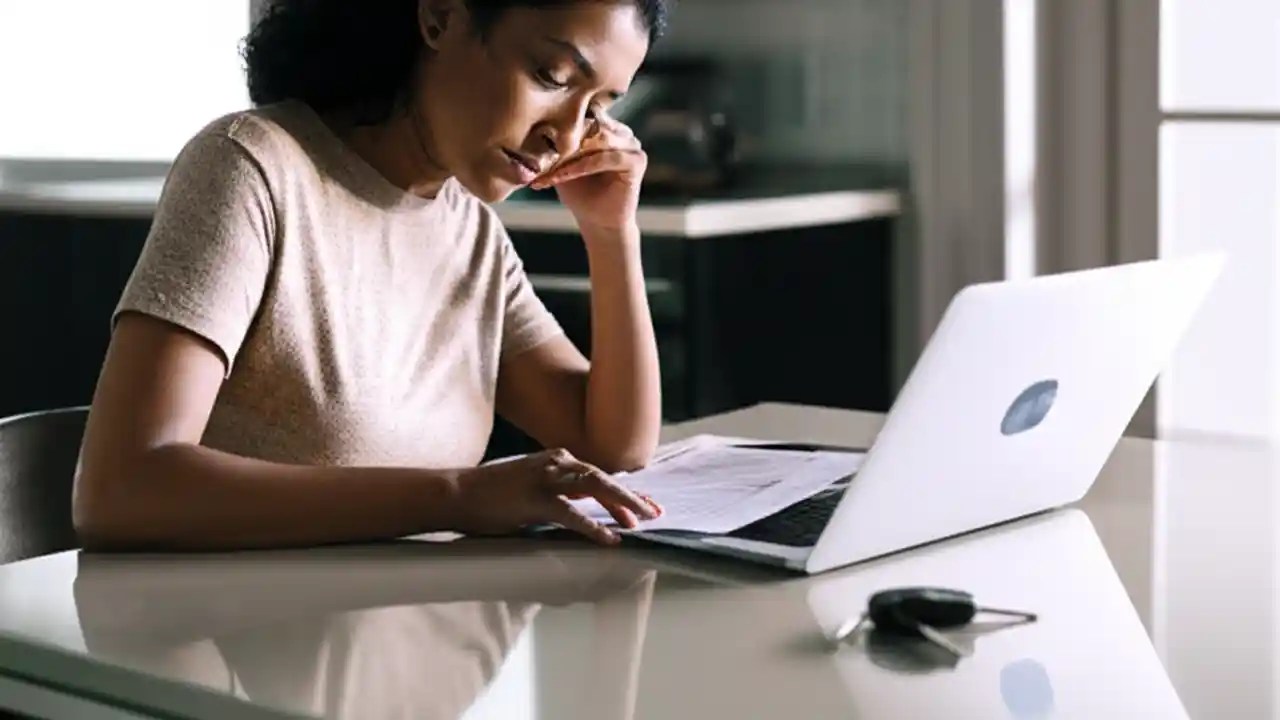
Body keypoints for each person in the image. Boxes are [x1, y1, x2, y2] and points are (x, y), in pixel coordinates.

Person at [72, 0, 671, 552]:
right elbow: (122, 487)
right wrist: (458, 497)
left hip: (413, 643)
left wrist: (612, 232)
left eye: (596, 108)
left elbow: (614, 446)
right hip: (250, 646)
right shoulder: (253, 167)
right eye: (552, 77)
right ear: (440, 17)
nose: (565, 136)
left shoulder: (470, 231)